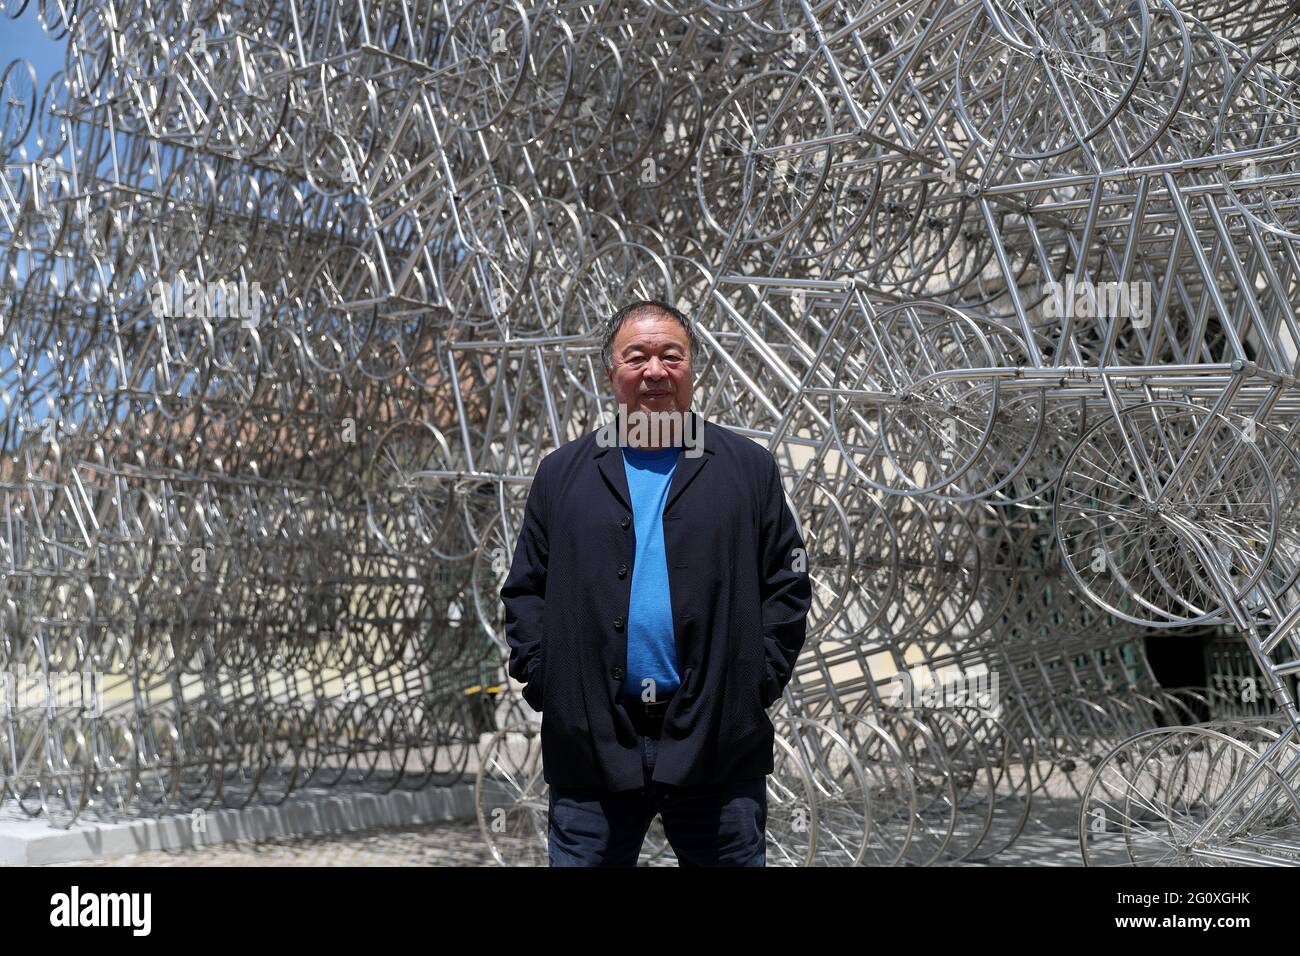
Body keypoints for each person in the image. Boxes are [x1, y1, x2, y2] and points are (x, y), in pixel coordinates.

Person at [499, 299, 812, 866]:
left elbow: (787, 586)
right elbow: (525, 591)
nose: (655, 370)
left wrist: (752, 684)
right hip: (592, 743)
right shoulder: (562, 473)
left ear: (692, 367)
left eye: (672, 355)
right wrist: (552, 686)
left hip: (717, 740)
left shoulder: (747, 468)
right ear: (611, 371)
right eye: (636, 355)